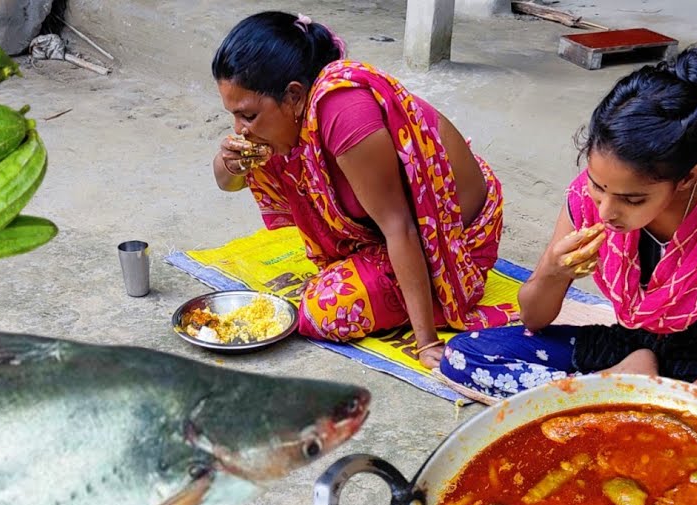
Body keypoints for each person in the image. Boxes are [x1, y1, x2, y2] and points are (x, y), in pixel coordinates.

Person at [438, 47, 697, 429]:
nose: (606, 212)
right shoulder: (591, 197)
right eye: (598, 187)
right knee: (464, 356)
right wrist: (551, 271)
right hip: (636, 345)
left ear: (688, 178)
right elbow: (534, 318)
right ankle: (624, 385)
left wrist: (681, 409)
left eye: (632, 199)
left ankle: (611, 398)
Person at [210, 11, 514, 368]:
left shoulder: (343, 110)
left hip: (452, 244)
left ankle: (435, 297)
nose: (240, 129)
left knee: (324, 311)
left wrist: (426, 341)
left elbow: (399, 225)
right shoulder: (292, 121)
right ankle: (378, 272)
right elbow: (227, 181)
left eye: (247, 116)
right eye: (233, 116)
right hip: (395, 231)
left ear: (293, 96)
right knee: (270, 159)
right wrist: (230, 162)